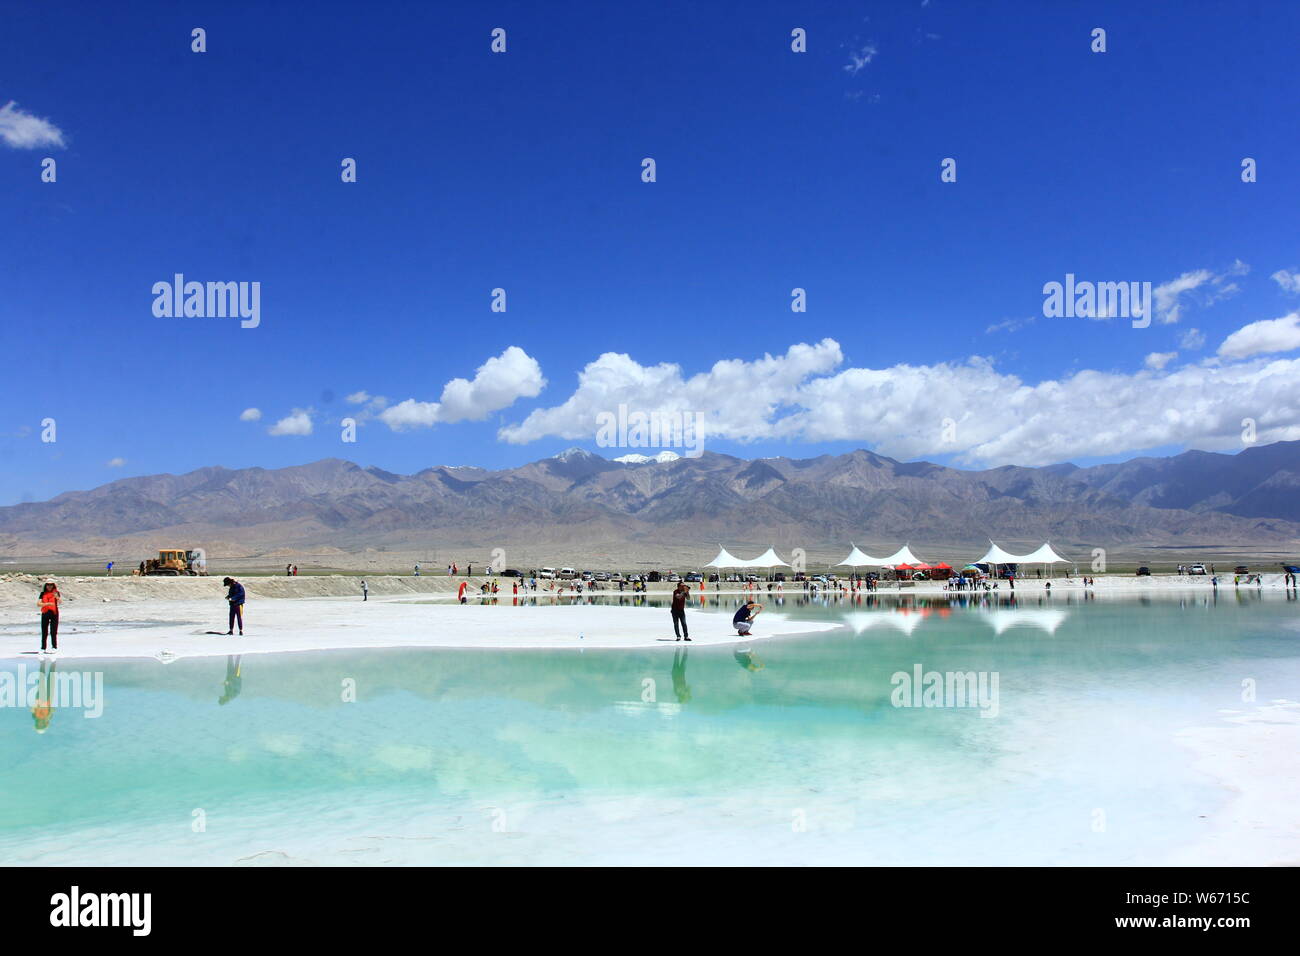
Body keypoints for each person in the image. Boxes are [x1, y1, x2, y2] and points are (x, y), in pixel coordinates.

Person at [38, 581, 60, 654]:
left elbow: (59, 601)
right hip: (45, 613)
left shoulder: (56, 592)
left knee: (53, 631)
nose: (49, 586)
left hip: (54, 613)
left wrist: (56, 596)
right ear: (46, 586)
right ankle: (43, 648)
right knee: (44, 631)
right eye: (48, 585)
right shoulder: (42, 593)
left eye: (51, 585)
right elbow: (38, 604)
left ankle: (54, 647)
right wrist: (47, 604)